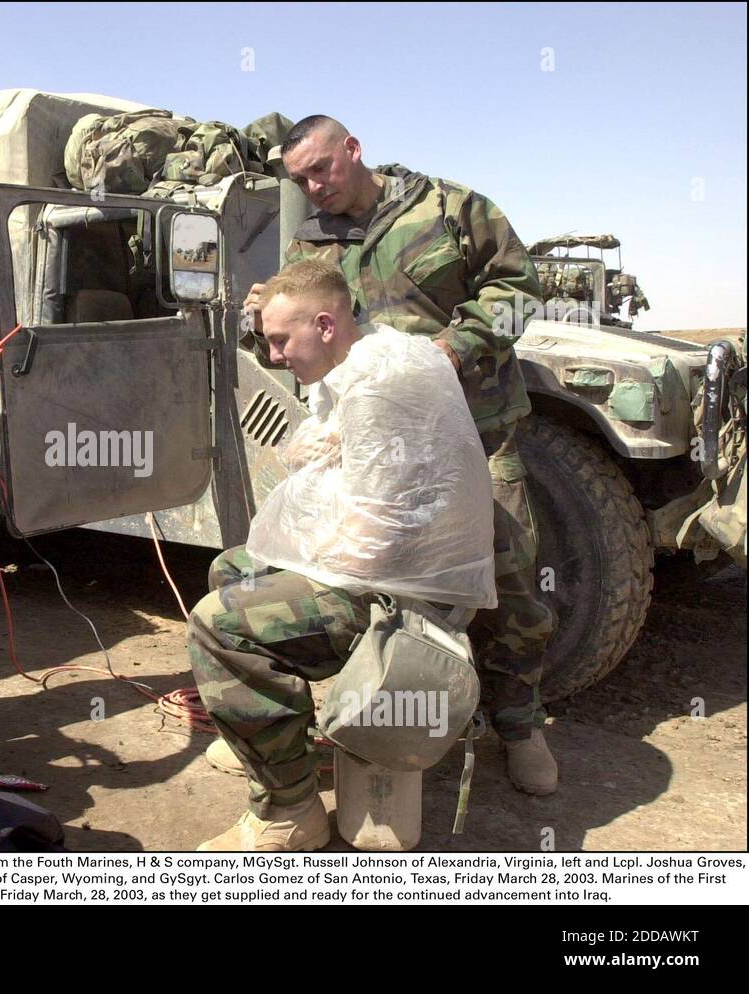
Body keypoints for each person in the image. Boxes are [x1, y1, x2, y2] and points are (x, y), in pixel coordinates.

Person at [233, 114, 558, 795]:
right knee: (349, 572)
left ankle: (520, 725)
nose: (314, 186)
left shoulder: (448, 208)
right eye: (299, 179)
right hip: (373, 443)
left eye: (322, 168)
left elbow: (520, 292)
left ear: (353, 149)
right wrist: (261, 309)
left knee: (510, 579)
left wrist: (452, 349)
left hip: (475, 426)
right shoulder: (311, 238)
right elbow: (302, 313)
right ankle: (364, 712)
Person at [190, 260, 493, 852]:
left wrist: (309, 541)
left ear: (325, 325)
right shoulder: (373, 360)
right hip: (395, 575)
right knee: (232, 569)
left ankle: (288, 812)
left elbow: (373, 544)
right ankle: (273, 739)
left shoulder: (377, 387)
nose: (274, 356)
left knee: (218, 626)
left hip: (404, 602)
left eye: (280, 340)